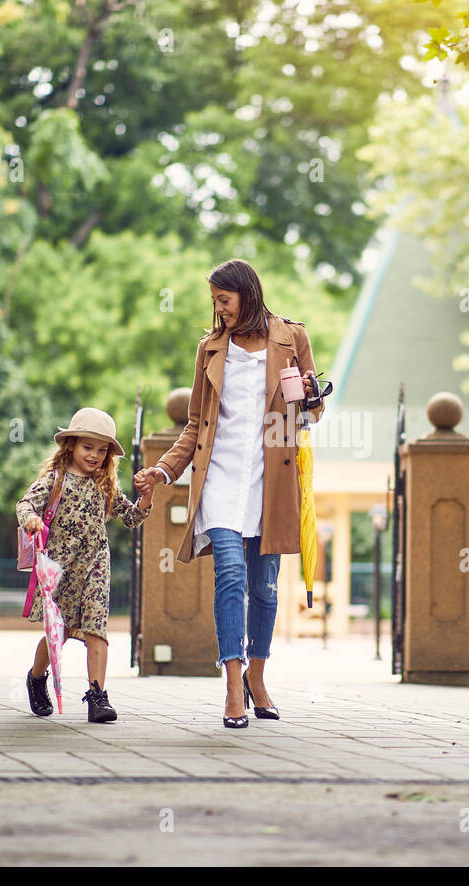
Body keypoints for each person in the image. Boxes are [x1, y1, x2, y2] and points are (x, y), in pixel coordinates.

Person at [134, 259, 325, 728]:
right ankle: (232, 687)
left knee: (264, 587)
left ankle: (258, 677)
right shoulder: (210, 349)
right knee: (231, 575)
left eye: (225, 299)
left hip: (271, 479)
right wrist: (163, 471)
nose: (219, 309)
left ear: (247, 293)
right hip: (218, 478)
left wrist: (310, 395)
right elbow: (195, 424)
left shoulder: (292, 338)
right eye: (215, 301)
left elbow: (312, 414)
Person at [16, 407, 153, 723]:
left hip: (95, 568)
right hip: (59, 569)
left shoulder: (105, 485)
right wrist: (31, 519)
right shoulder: (55, 480)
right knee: (58, 634)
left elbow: (132, 517)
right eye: (87, 447)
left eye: (101, 450)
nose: (94, 455)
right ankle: (37, 677)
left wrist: (147, 496)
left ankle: (98, 697)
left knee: (96, 631)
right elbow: (24, 504)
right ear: (71, 446)